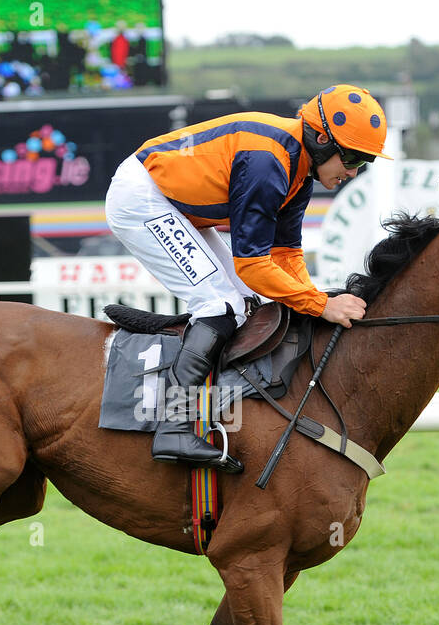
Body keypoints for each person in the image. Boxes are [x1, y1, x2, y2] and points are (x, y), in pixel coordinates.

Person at [104, 84, 391, 473]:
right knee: (219, 305)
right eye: (353, 157)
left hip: (178, 205)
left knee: (247, 302)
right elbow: (253, 265)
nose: (354, 171)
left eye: (365, 163)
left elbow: (285, 255)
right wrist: (321, 305)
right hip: (143, 197)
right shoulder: (267, 160)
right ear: (322, 139)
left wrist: (312, 298)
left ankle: (225, 409)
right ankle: (174, 425)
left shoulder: (299, 168)